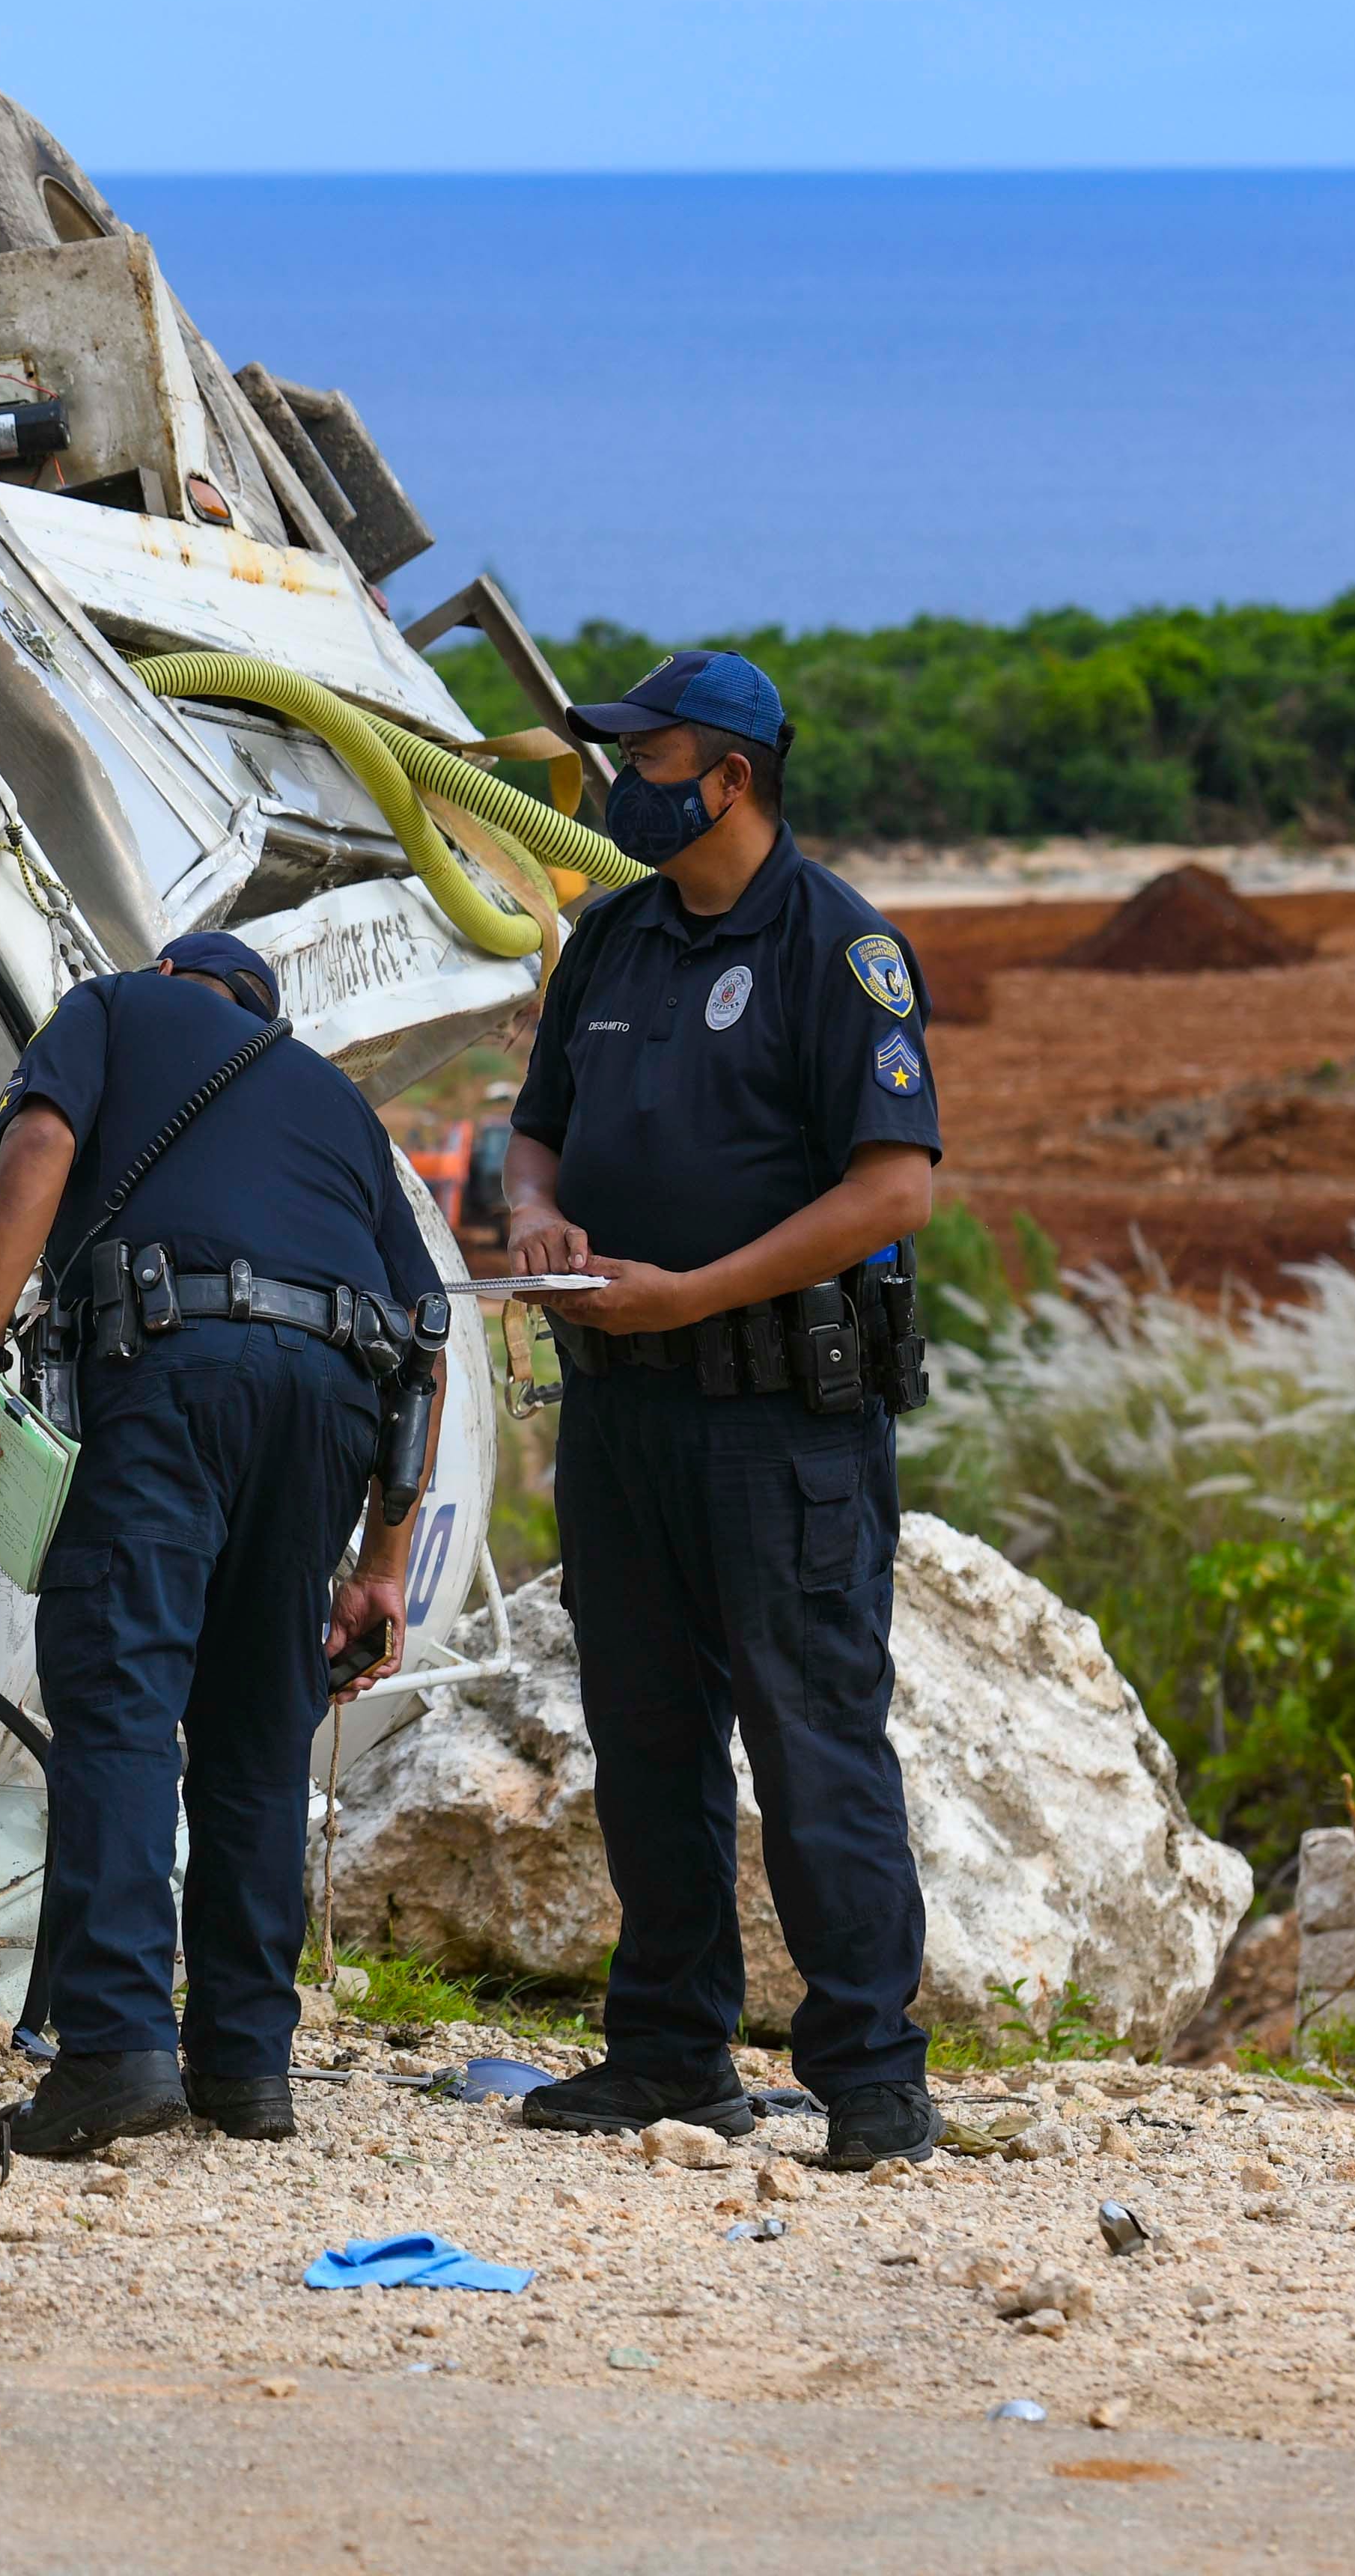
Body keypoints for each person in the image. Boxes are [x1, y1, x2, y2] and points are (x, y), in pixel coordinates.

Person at [499, 649, 945, 2172]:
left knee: (814, 1734)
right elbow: (534, 1140)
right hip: (622, 1412)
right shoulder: (612, 939)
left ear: (732, 776)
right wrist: (538, 1221)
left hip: (778, 1421)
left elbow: (894, 1189)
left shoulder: (841, 948)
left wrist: (697, 1290)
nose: (625, 777)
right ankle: (669, 2056)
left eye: (650, 752)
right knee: (644, 1735)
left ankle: (873, 2083)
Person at [0, 929, 448, 2156]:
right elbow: (425, 1336)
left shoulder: (115, 1006)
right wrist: (384, 1565)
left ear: (176, 982)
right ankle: (244, 2066)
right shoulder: (336, 1102)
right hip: (330, 1402)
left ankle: (113, 2052)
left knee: (119, 1701)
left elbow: (41, 1143)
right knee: (258, 1734)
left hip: (171, 1368)